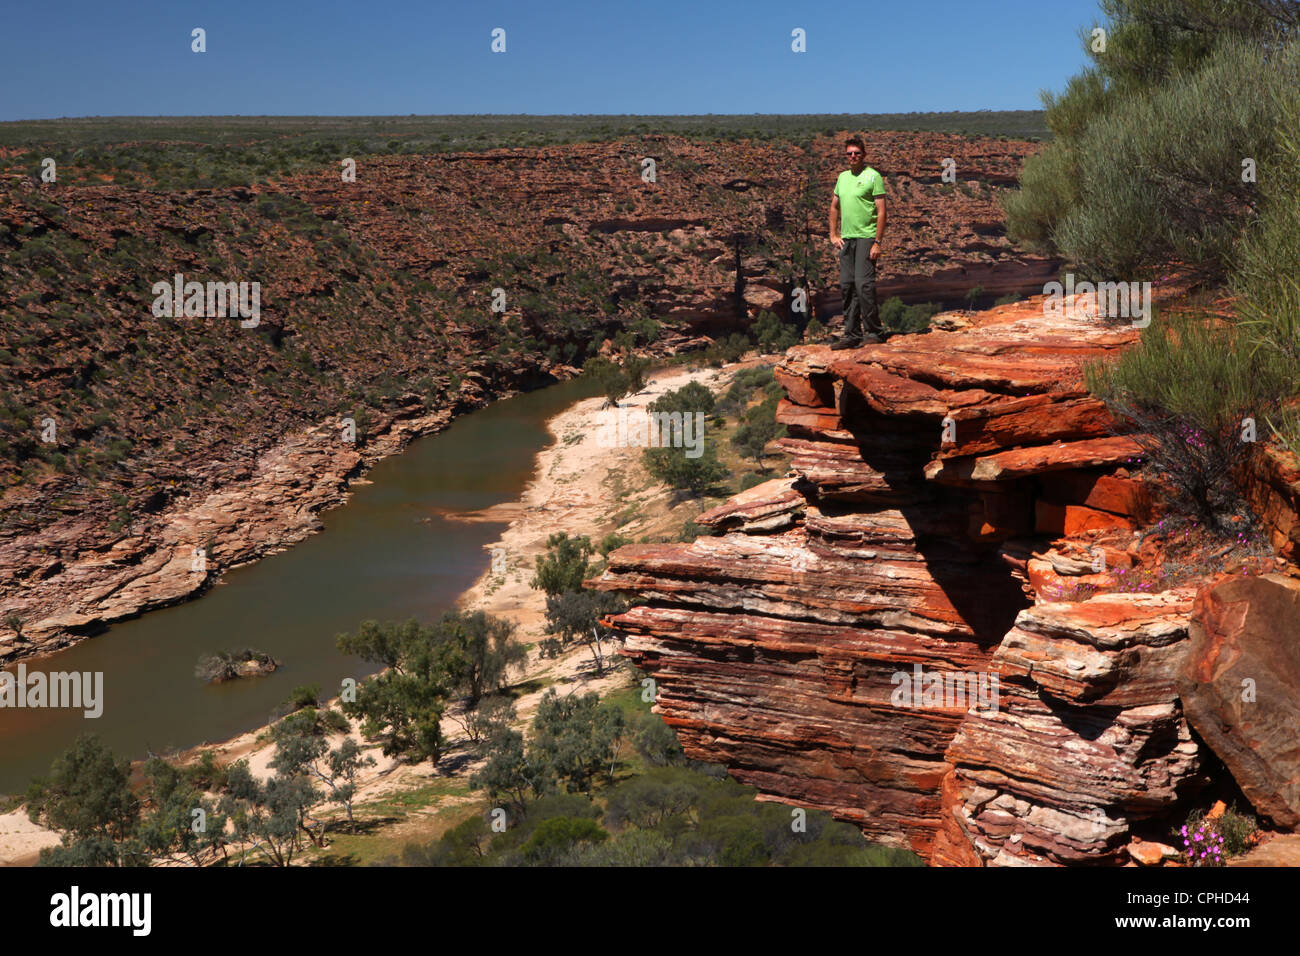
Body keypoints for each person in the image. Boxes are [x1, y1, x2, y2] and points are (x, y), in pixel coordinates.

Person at [829, 136, 887, 349]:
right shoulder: (842, 177)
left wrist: (877, 242)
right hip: (847, 239)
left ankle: (874, 331)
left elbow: (882, 212)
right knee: (847, 286)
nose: (853, 156)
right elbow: (834, 207)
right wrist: (833, 234)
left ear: (864, 154)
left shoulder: (873, 176)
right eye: (849, 153)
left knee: (864, 285)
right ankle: (851, 334)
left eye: (857, 153)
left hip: (866, 237)